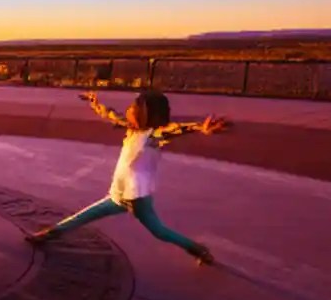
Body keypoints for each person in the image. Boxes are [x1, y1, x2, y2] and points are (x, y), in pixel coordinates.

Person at [25, 90, 228, 265]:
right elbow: (112, 115)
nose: (129, 110)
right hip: (118, 194)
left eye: (134, 108)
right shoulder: (132, 130)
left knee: (159, 231)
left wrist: (200, 127)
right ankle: (50, 234)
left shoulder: (152, 136)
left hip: (136, 198)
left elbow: (175, 129)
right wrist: (95, 103)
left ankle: (198, 249)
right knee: (84, 215)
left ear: (145, 114)